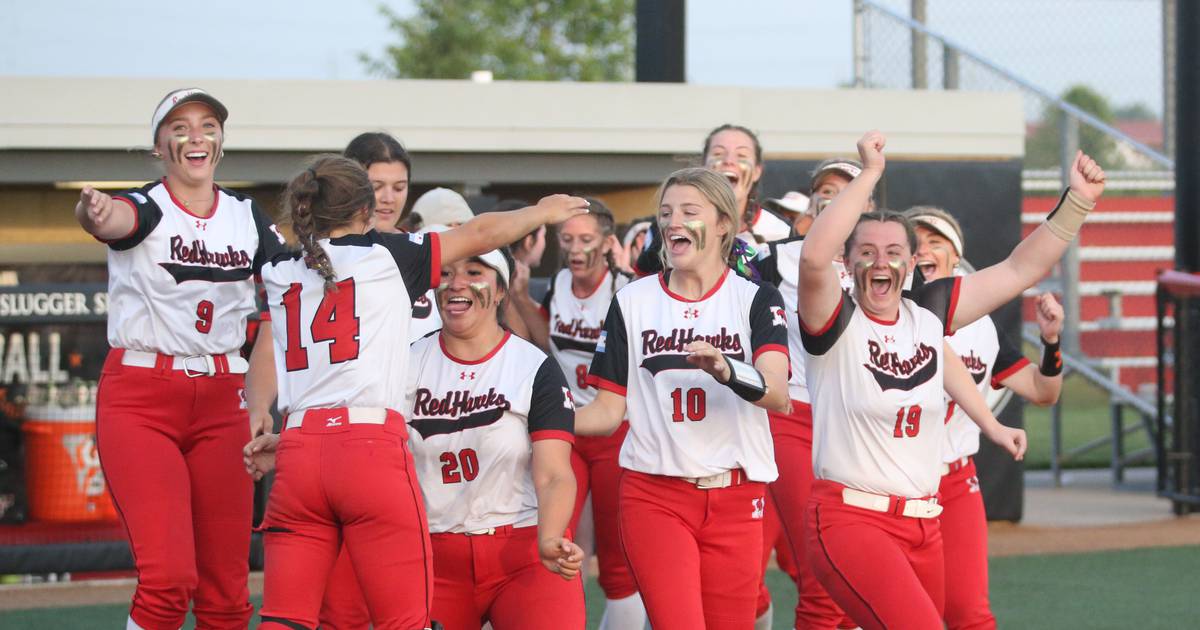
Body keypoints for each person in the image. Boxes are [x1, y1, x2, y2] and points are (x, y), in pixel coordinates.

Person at [244, 155, 589, 629]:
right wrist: (541, 212)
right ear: (366, 211)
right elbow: (483, 233)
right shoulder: (385, 255)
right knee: (403, 621)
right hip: (368, 450)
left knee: (285, 618)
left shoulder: (280, 268)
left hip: (302, 448)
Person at [796, 130, 1104, 628]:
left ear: (911, 262)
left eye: (894, 250)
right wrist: (870, 174)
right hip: (850, 519)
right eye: (867, 251)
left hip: (924, 522)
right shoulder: (835, 318)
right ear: (847, 262)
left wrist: (1077, 205)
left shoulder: (928, 313)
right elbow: (812, 258)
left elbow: (1020, 268)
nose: (881, 261)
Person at [74, 88, 284, 630]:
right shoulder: (147, 204)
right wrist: (94, 211)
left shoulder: (246, 215)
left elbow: (297, 282)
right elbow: (117, 220)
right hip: (144, 396)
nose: (196, 135)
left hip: (223, 397)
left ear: (221, 141)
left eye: (208, 124)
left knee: (227, 595)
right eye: (180, 126)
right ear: (158, 146)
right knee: (168, 581)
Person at [575, 167, 791, 629]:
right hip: (655, 495)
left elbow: (777, 393)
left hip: (737, 497)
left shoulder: (755, 297)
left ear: (723, 225)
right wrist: (543, 416)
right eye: (666, 213)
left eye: (689, 212)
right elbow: (608, 411)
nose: (673, 222)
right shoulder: (631, 301)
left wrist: (728, 369)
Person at [406, 246, 584, 629]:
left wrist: (551, 537)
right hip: (431, 556)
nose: (457, 284)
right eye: (448, 272)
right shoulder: (405, 363)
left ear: (501, 289)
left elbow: (554, 474)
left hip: (523, 550)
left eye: (474, 272)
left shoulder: (534, 366)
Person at [905, 206, 1065, 630]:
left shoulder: (983, 327)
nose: (923, 249)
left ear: (956, 258)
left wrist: (1051, 343)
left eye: (935, 241)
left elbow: (1042, 390)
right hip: (891, 482)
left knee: (970, 615)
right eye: (914, 240)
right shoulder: (876, 318)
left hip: (955, 481)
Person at [508, 201, 645, 630]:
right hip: (564, 427)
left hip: (616, 430)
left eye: (585, 240)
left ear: (607, 243)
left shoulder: (629, 289)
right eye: (567, 240)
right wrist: (517, 294)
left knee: (617, 556)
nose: (574, 249)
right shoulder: (562, 281)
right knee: (548, 534)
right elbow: (545, 338)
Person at [703, 123, 791, 244]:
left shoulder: (781, 232)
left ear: (756, 172)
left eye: (741, 155)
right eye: (718, 153)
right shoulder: (680, 224)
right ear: (703, 168)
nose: (729, 161)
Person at [343, 132, 412, 233]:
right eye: (375, 187)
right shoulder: (318, 246)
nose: (388, 199)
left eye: (399, 188)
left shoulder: (419, 247)